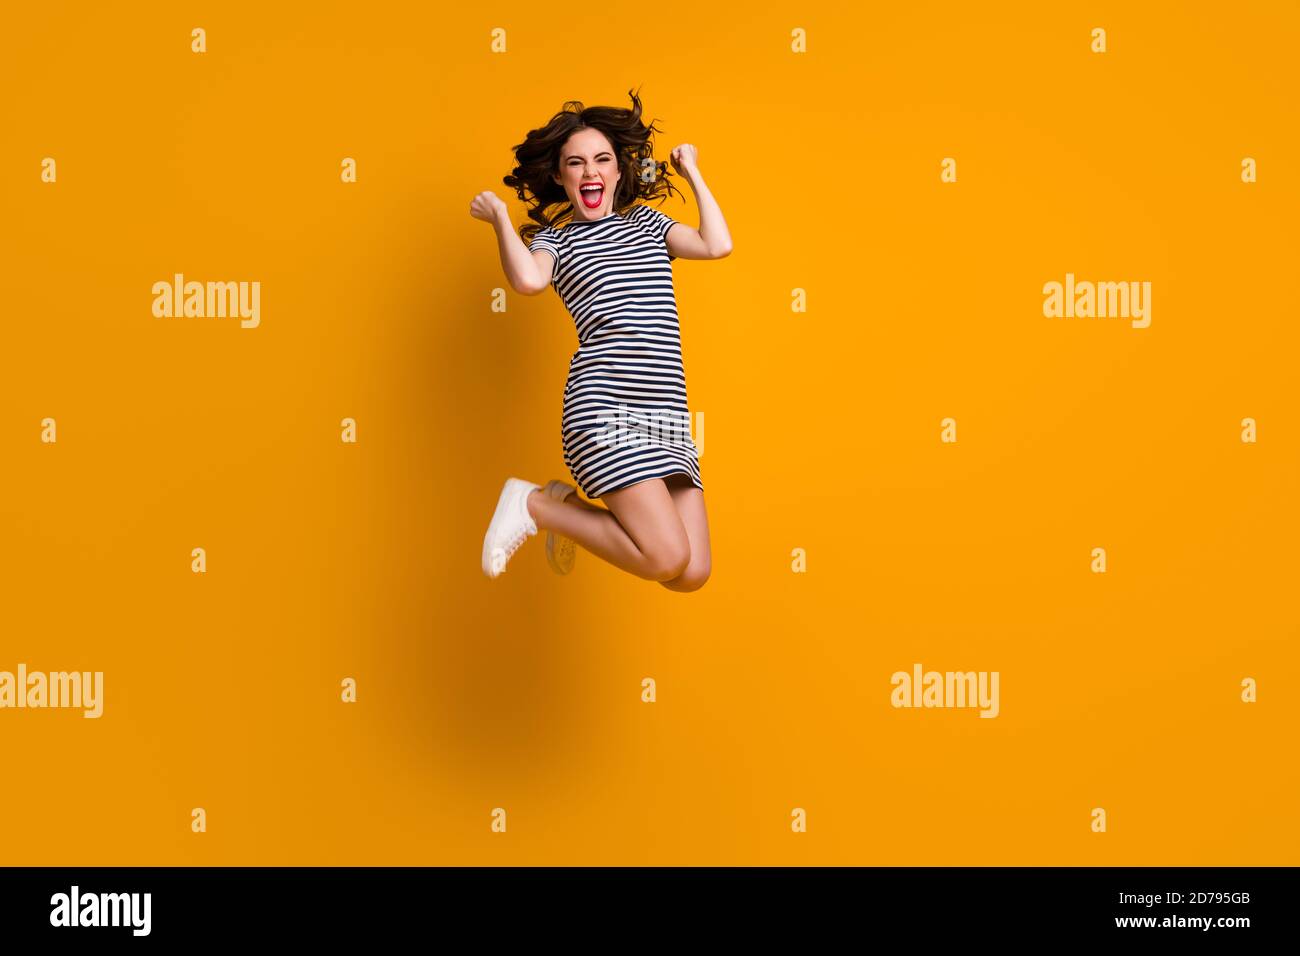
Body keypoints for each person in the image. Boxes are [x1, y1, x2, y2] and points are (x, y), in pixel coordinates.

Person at [469, 89, 732, 592]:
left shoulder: (647, 224)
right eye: (576, 163)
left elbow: (716, 244)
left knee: (690, 572)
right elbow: (527, 281)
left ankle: (560, 507)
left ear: (617, 172)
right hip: (605, 406)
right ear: (560, 176)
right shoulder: (557, 241)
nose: (590, 172)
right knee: (665, 555)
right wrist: (502, 220)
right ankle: (534, 505)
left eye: (601, 160)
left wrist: (692, 173)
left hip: (665, 410)